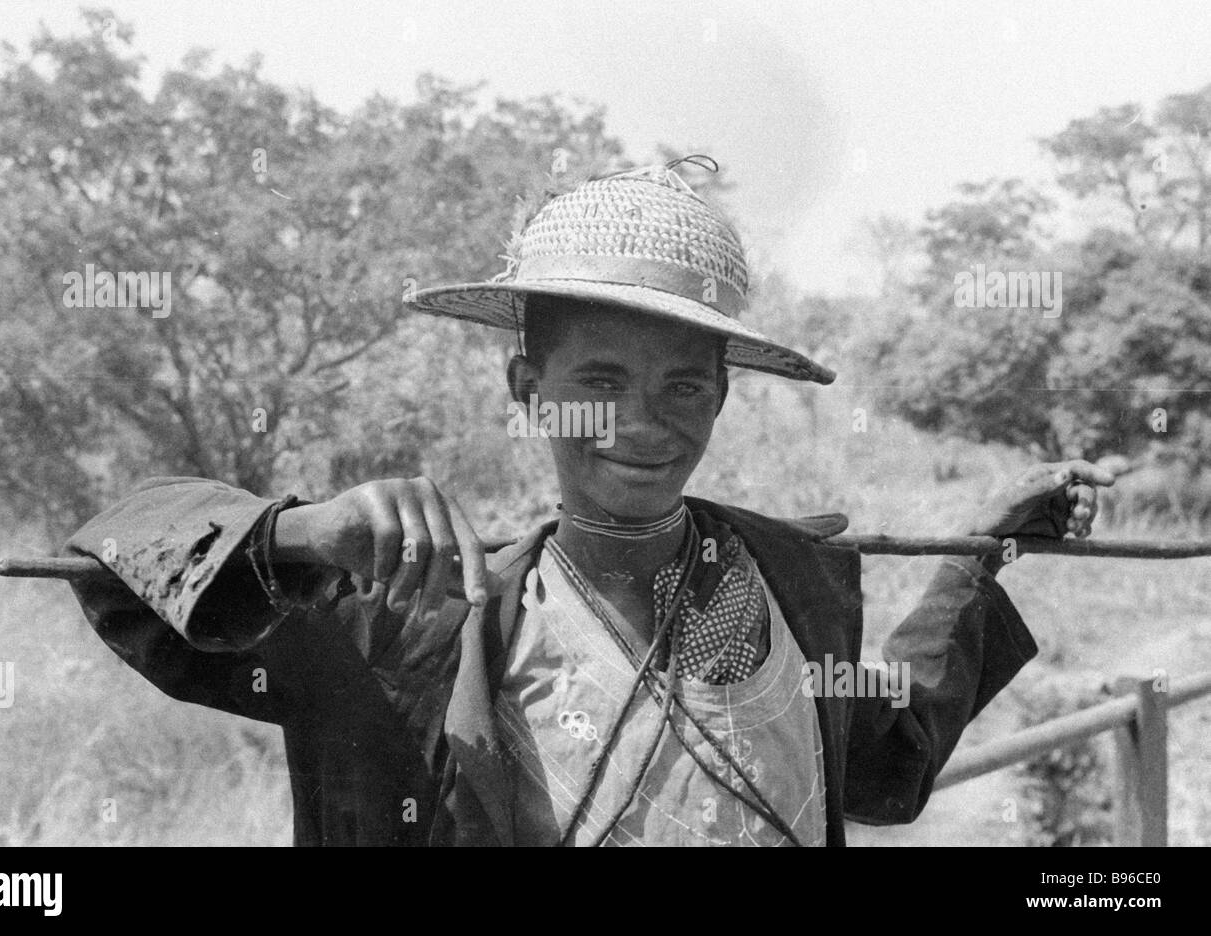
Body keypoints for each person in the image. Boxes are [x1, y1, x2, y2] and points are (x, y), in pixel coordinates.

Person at [64, 158, 1114, 846]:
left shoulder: (787, 582)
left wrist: (983, 560)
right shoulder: (407, 624)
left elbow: (885, 768)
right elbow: (115, 572)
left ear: (722, 396)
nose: (645, 425)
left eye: (683, 386)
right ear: (528, 393)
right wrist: (295, 533)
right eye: (597, 383)